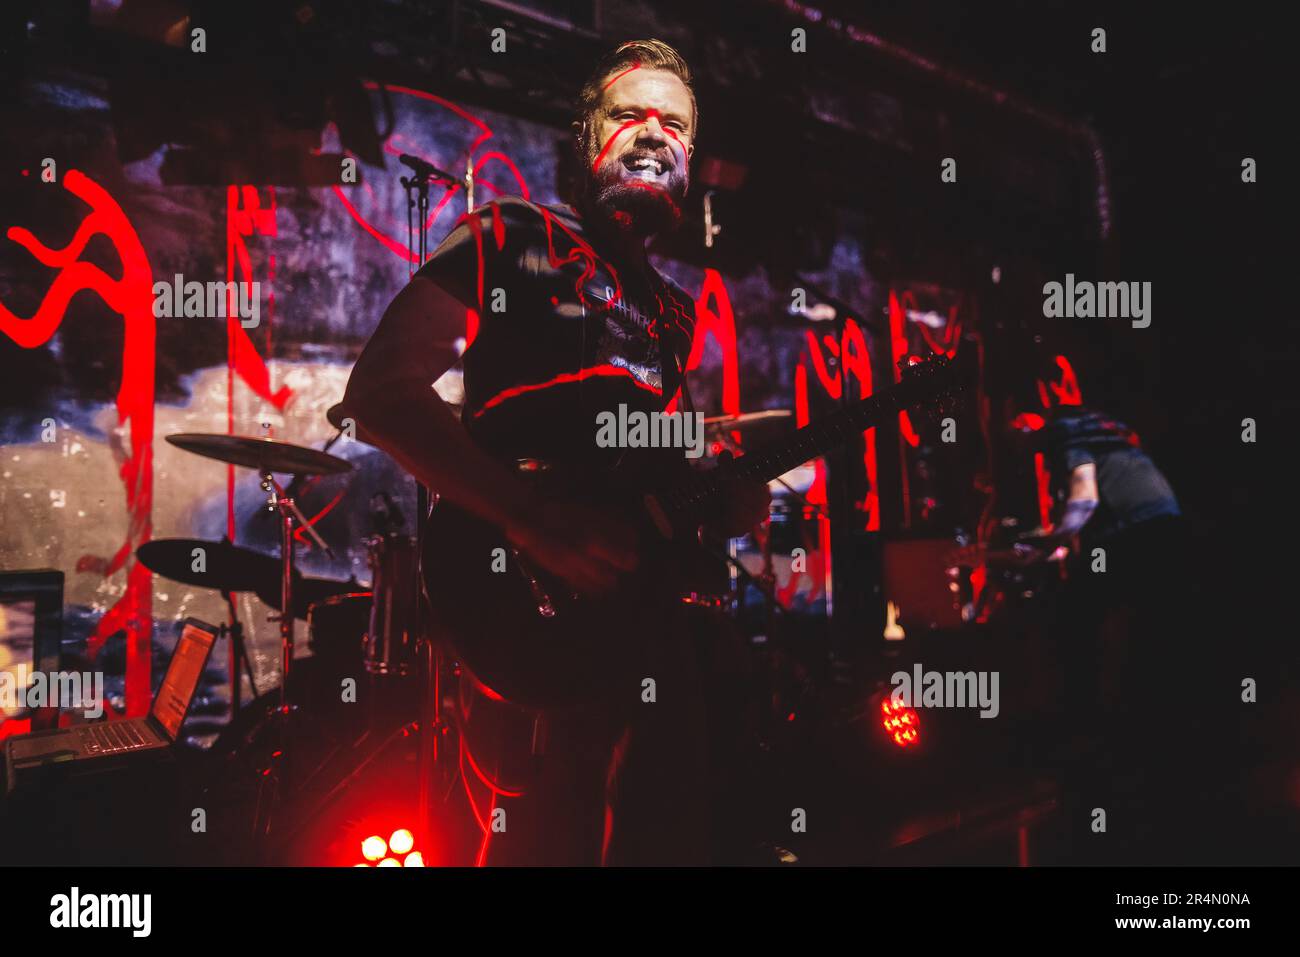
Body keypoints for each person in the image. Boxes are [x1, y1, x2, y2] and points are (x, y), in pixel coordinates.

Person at [341, 39, 768, 865]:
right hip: (521, 601)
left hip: (643, 616)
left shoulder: (675, 313)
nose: (654, 135)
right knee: (543, 836)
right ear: (585, 144)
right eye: (629, 116)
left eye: (674, 123)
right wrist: (529, 518)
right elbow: (382, 394)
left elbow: (662, 469)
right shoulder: (514, 234)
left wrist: (722, 498)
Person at [1022, 405, 1190, 861]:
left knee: (1075, 620)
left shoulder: (1064, 434)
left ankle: (1080, 731)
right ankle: (1144, 733)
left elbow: (1085, 499)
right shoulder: (1110, 435)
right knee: (1141, 631)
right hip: (1163, 528)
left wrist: (1050, 543)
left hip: (1134, 535)